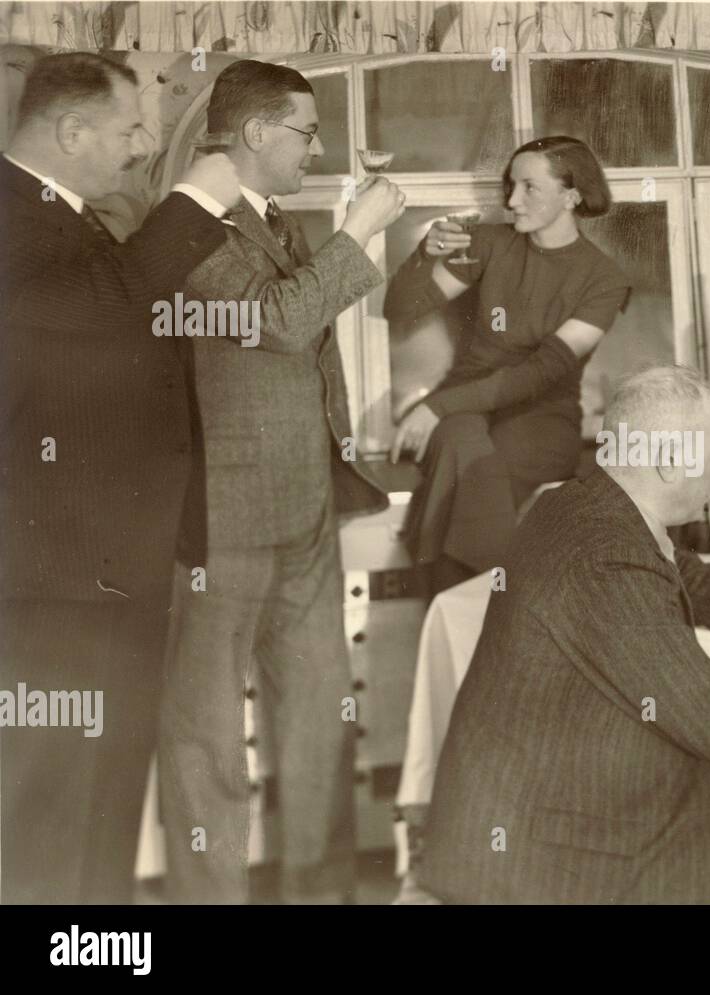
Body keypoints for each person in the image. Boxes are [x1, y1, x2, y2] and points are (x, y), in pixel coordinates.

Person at [416, 365, 710, 904]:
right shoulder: (607, 561)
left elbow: (680, 569)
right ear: (666, 462)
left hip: (552, 799)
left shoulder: (580, 505)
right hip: (542, 854)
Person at [157, 59, 406, 904]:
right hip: (221, 524)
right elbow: (276, 322)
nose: (317, 146)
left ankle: (322, 896)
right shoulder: (190, 225)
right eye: (306, 131)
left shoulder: (273, 221)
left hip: (304, 514)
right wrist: (359, 230)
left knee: (319, 727)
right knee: (207, 745)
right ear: (256, 133)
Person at [0, 51, 242, 903]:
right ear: (70, 132)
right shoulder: (12, 217)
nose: (142, 147)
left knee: (105, 795)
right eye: (130, 128)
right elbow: (95, 310)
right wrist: (195, 204)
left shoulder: (67, 218)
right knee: (55, 802)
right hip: (52, 580)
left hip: (104, 567)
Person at [382, 135, 632, 593]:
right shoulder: (489, 243)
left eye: (529, 188)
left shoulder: (604, 280)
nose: (512, 200)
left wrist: (436, 407)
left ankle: (457, 599)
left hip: (542, 412)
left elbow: (540, 373)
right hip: (468, 401)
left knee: (485, 468)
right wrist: (425, 256)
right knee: (461, 444)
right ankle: (484, 608)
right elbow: (401, 309)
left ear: (571, 195)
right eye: (509, 185)